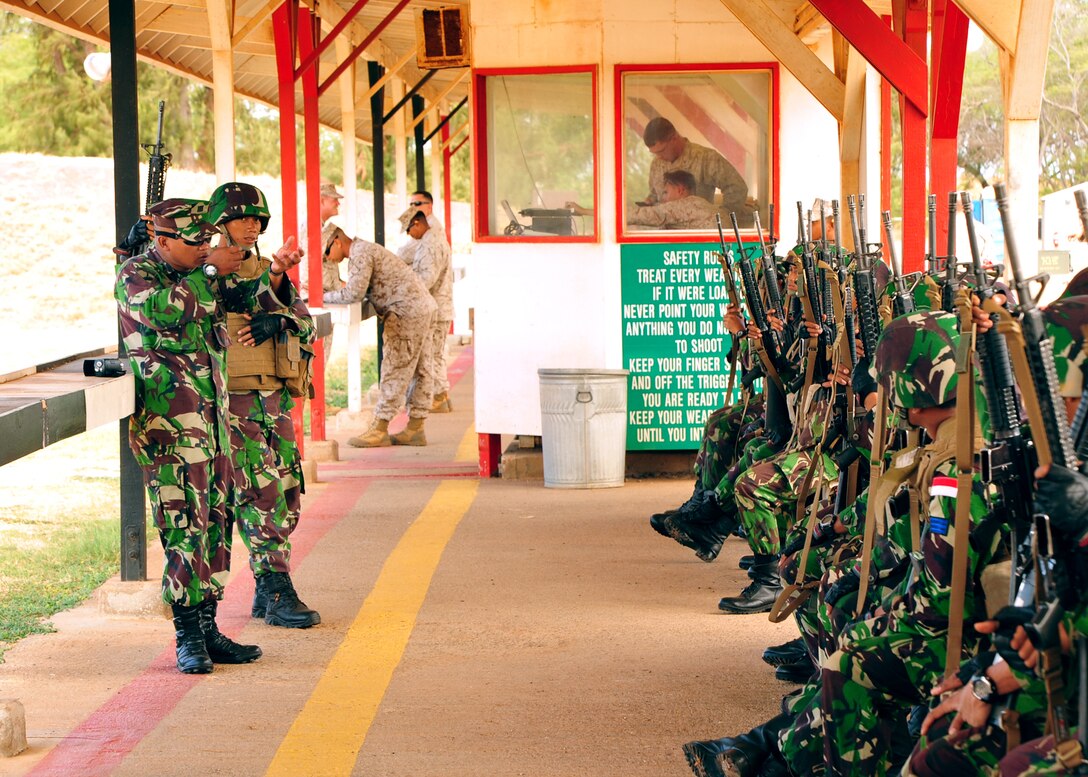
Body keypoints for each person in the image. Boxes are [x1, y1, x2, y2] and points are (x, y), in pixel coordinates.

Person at [115, 198, 300, 674]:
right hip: (170, 432)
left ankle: (210, 627)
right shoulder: (139, 274)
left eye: (206, 239)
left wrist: (275, 272)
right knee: (184, 531)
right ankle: (187, 636)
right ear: (161, 241)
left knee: (216, 528)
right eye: (193, 240)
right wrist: (213, 272)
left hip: (215, 426)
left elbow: (248, 300)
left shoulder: (202, 275)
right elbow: (164, 311)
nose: (204, 248)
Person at [206, 182, 321, 630]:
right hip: (233, 400)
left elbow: (305, 325)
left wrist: (280, 307)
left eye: (257, 218)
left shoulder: (264, 268)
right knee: (261, 492)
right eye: (241, 217)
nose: (251, 225)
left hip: (271, 397)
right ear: (221, 223)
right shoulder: (206, 267)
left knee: (288, 491)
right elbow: (227, 298)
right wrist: (269, 279)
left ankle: (263, 586)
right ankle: (275, 587)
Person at [322, 227, 437, 447]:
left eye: (327, 253)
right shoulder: (365, 249)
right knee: (422, 369)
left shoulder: (360, 254)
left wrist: (322, 296)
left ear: (336, 241)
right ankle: (415, 428)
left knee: (395, 367)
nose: (329, 260)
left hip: (405, 313)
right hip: (421, 307)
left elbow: (352, 294)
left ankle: (380, 427)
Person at [399, 209, 455, 414]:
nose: (409, 235)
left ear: (417, 223)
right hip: (441, 306)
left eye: (408, 230)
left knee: (431, 355)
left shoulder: (430, 244)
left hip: (436, 307)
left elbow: (426, 279)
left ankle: (438, 396)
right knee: (436, 354)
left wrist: (404, 288)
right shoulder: (433, 240)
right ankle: (440, 396)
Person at [640, 117, 749, 219]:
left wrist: (721, 218)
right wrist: (650, 202)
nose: (658, 157)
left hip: (697, 233)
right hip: (665, 234)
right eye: (654, 153)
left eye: (662, 151)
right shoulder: (656, 164)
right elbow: (654, 194)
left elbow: (737, 188)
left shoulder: (705, 158)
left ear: (674, 139)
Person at [626, 170, 718, 230]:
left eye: (665, 193)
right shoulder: (702, 204)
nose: (662, 199)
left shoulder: (684, 205)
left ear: (680, 190)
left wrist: (616, 216)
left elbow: (653, 215)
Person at [299, 182, 344, 295]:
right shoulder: (312, 226)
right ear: (322, 201)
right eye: (334, 200)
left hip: (323, 293)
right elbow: (308, 266)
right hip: (316, 295)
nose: (338, 203)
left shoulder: (318, 226)